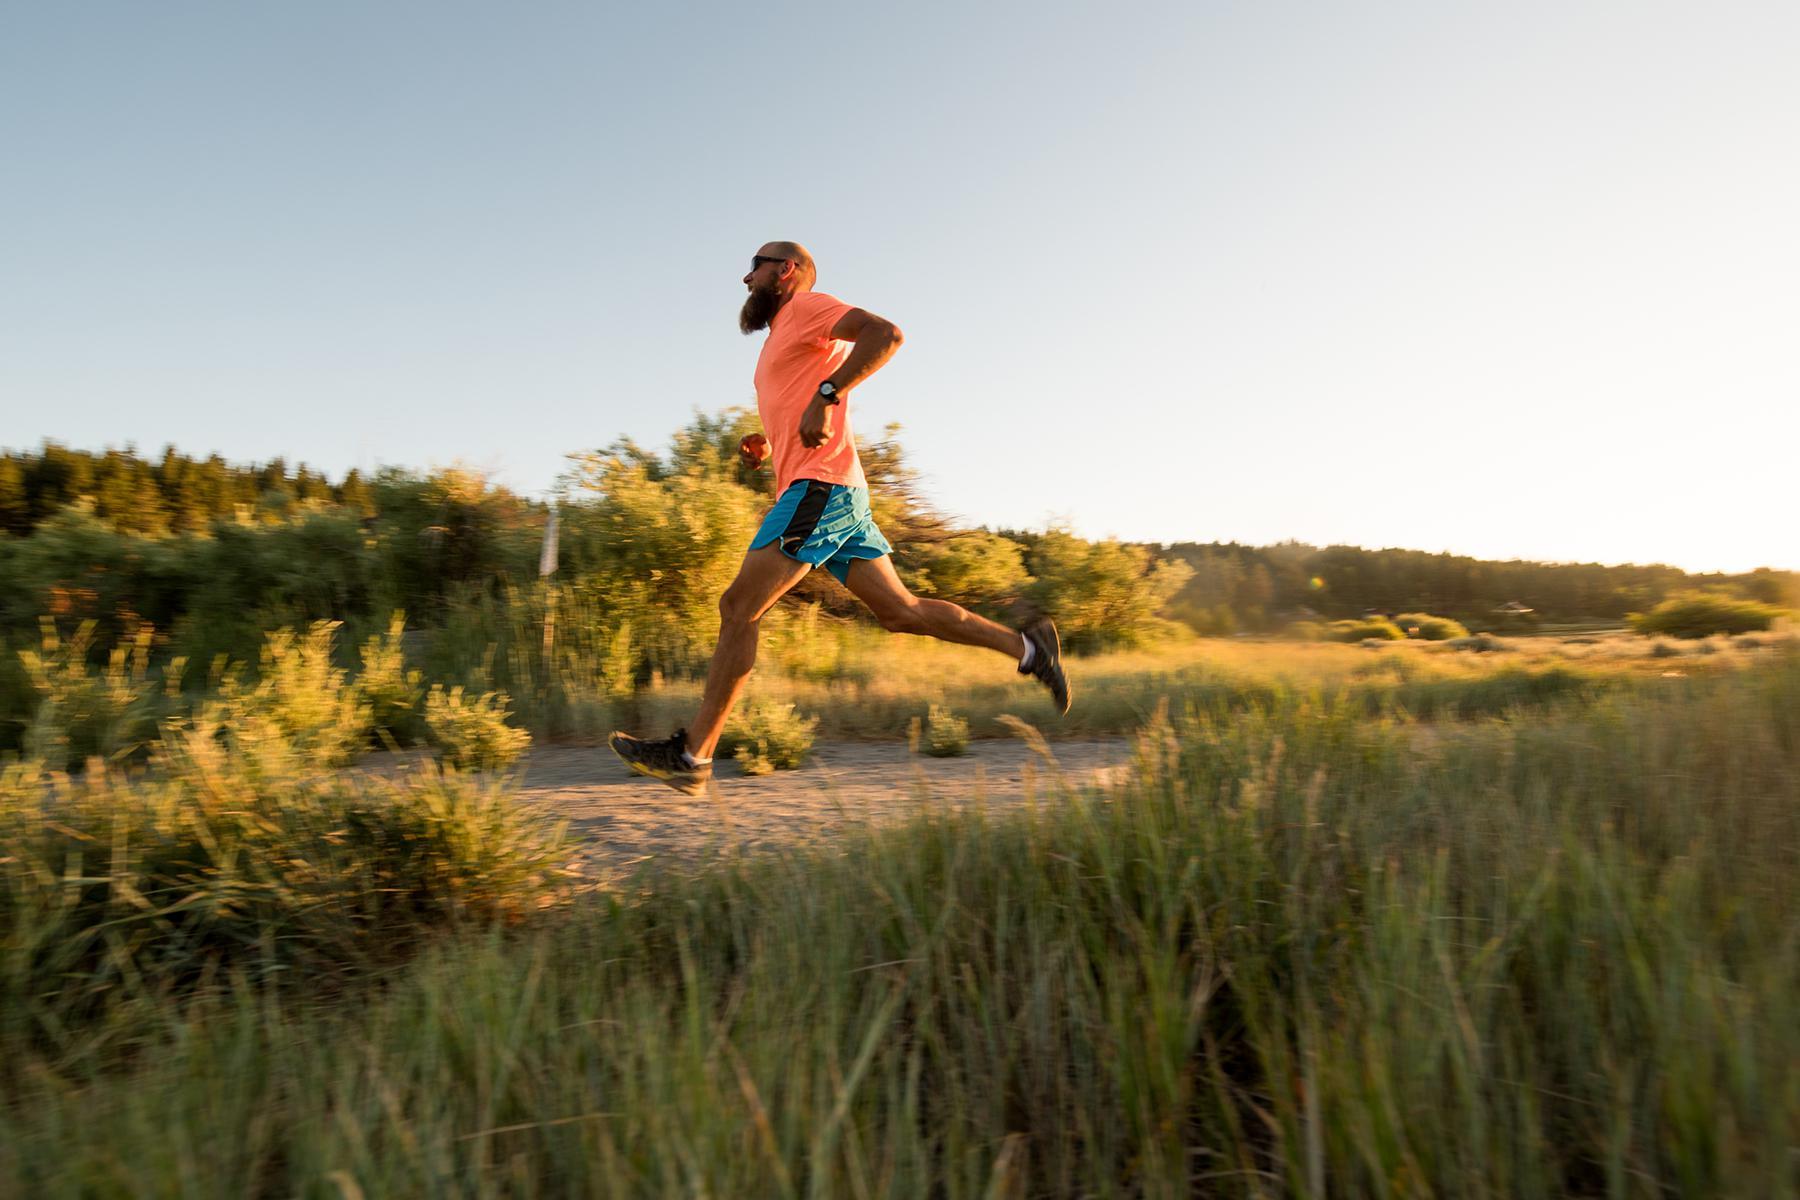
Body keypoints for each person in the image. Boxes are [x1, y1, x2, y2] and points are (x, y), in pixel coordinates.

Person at [609, 241, 1069, 794]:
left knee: (738, 607)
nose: (745, 278)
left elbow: (886, 334)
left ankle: (692, 757)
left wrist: (828, 394)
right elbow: (798, 406)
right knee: (901, 612)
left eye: (754, 266)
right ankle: (1029, 649)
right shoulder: (784, 334)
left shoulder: (807, 306)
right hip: (830, 488)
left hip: (821, 487)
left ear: (786, 270)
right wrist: (769, 442)